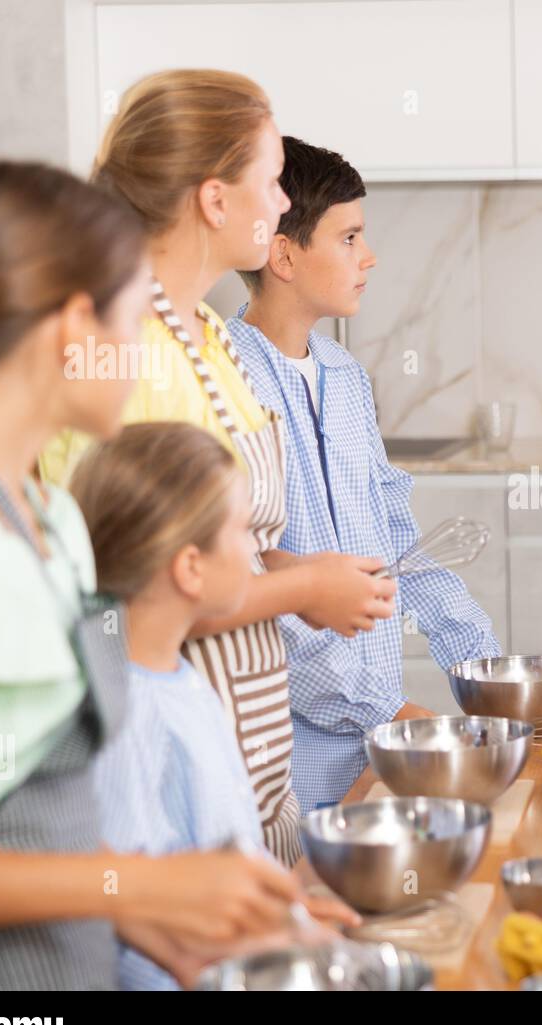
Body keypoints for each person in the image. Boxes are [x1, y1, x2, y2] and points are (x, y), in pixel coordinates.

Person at [0, 161, 297, 990]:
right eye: (133, 323)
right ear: (75, 327)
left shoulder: (44, 520)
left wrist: (170, 923)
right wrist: (144, 882)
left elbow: (32, 819)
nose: (139, 353)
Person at [40, 70, 397, 863]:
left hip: (244, 738)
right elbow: (129, 608)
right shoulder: (126, 355)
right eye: (270, 182)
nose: (278, 207)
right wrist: (303, 589)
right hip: (161, 753)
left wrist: (299, 566)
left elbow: (225, 541)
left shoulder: (203, 333)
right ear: (213, 199)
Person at [226, 136, 500, 808]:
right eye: (348, 237)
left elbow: (405, 546)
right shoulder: (227, 381)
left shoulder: (346, 379)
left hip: (371, 737)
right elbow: (251, 584)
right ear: (283, 253)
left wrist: (489, 676)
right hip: (285, 750)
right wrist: (391, 712)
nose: (368, 257)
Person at [70, 422, 360, 989]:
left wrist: (283, 921)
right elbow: (134, 928)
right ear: (190, 568)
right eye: (243, 532)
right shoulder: (128, 716)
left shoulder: (178, 679)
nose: (257, 550)